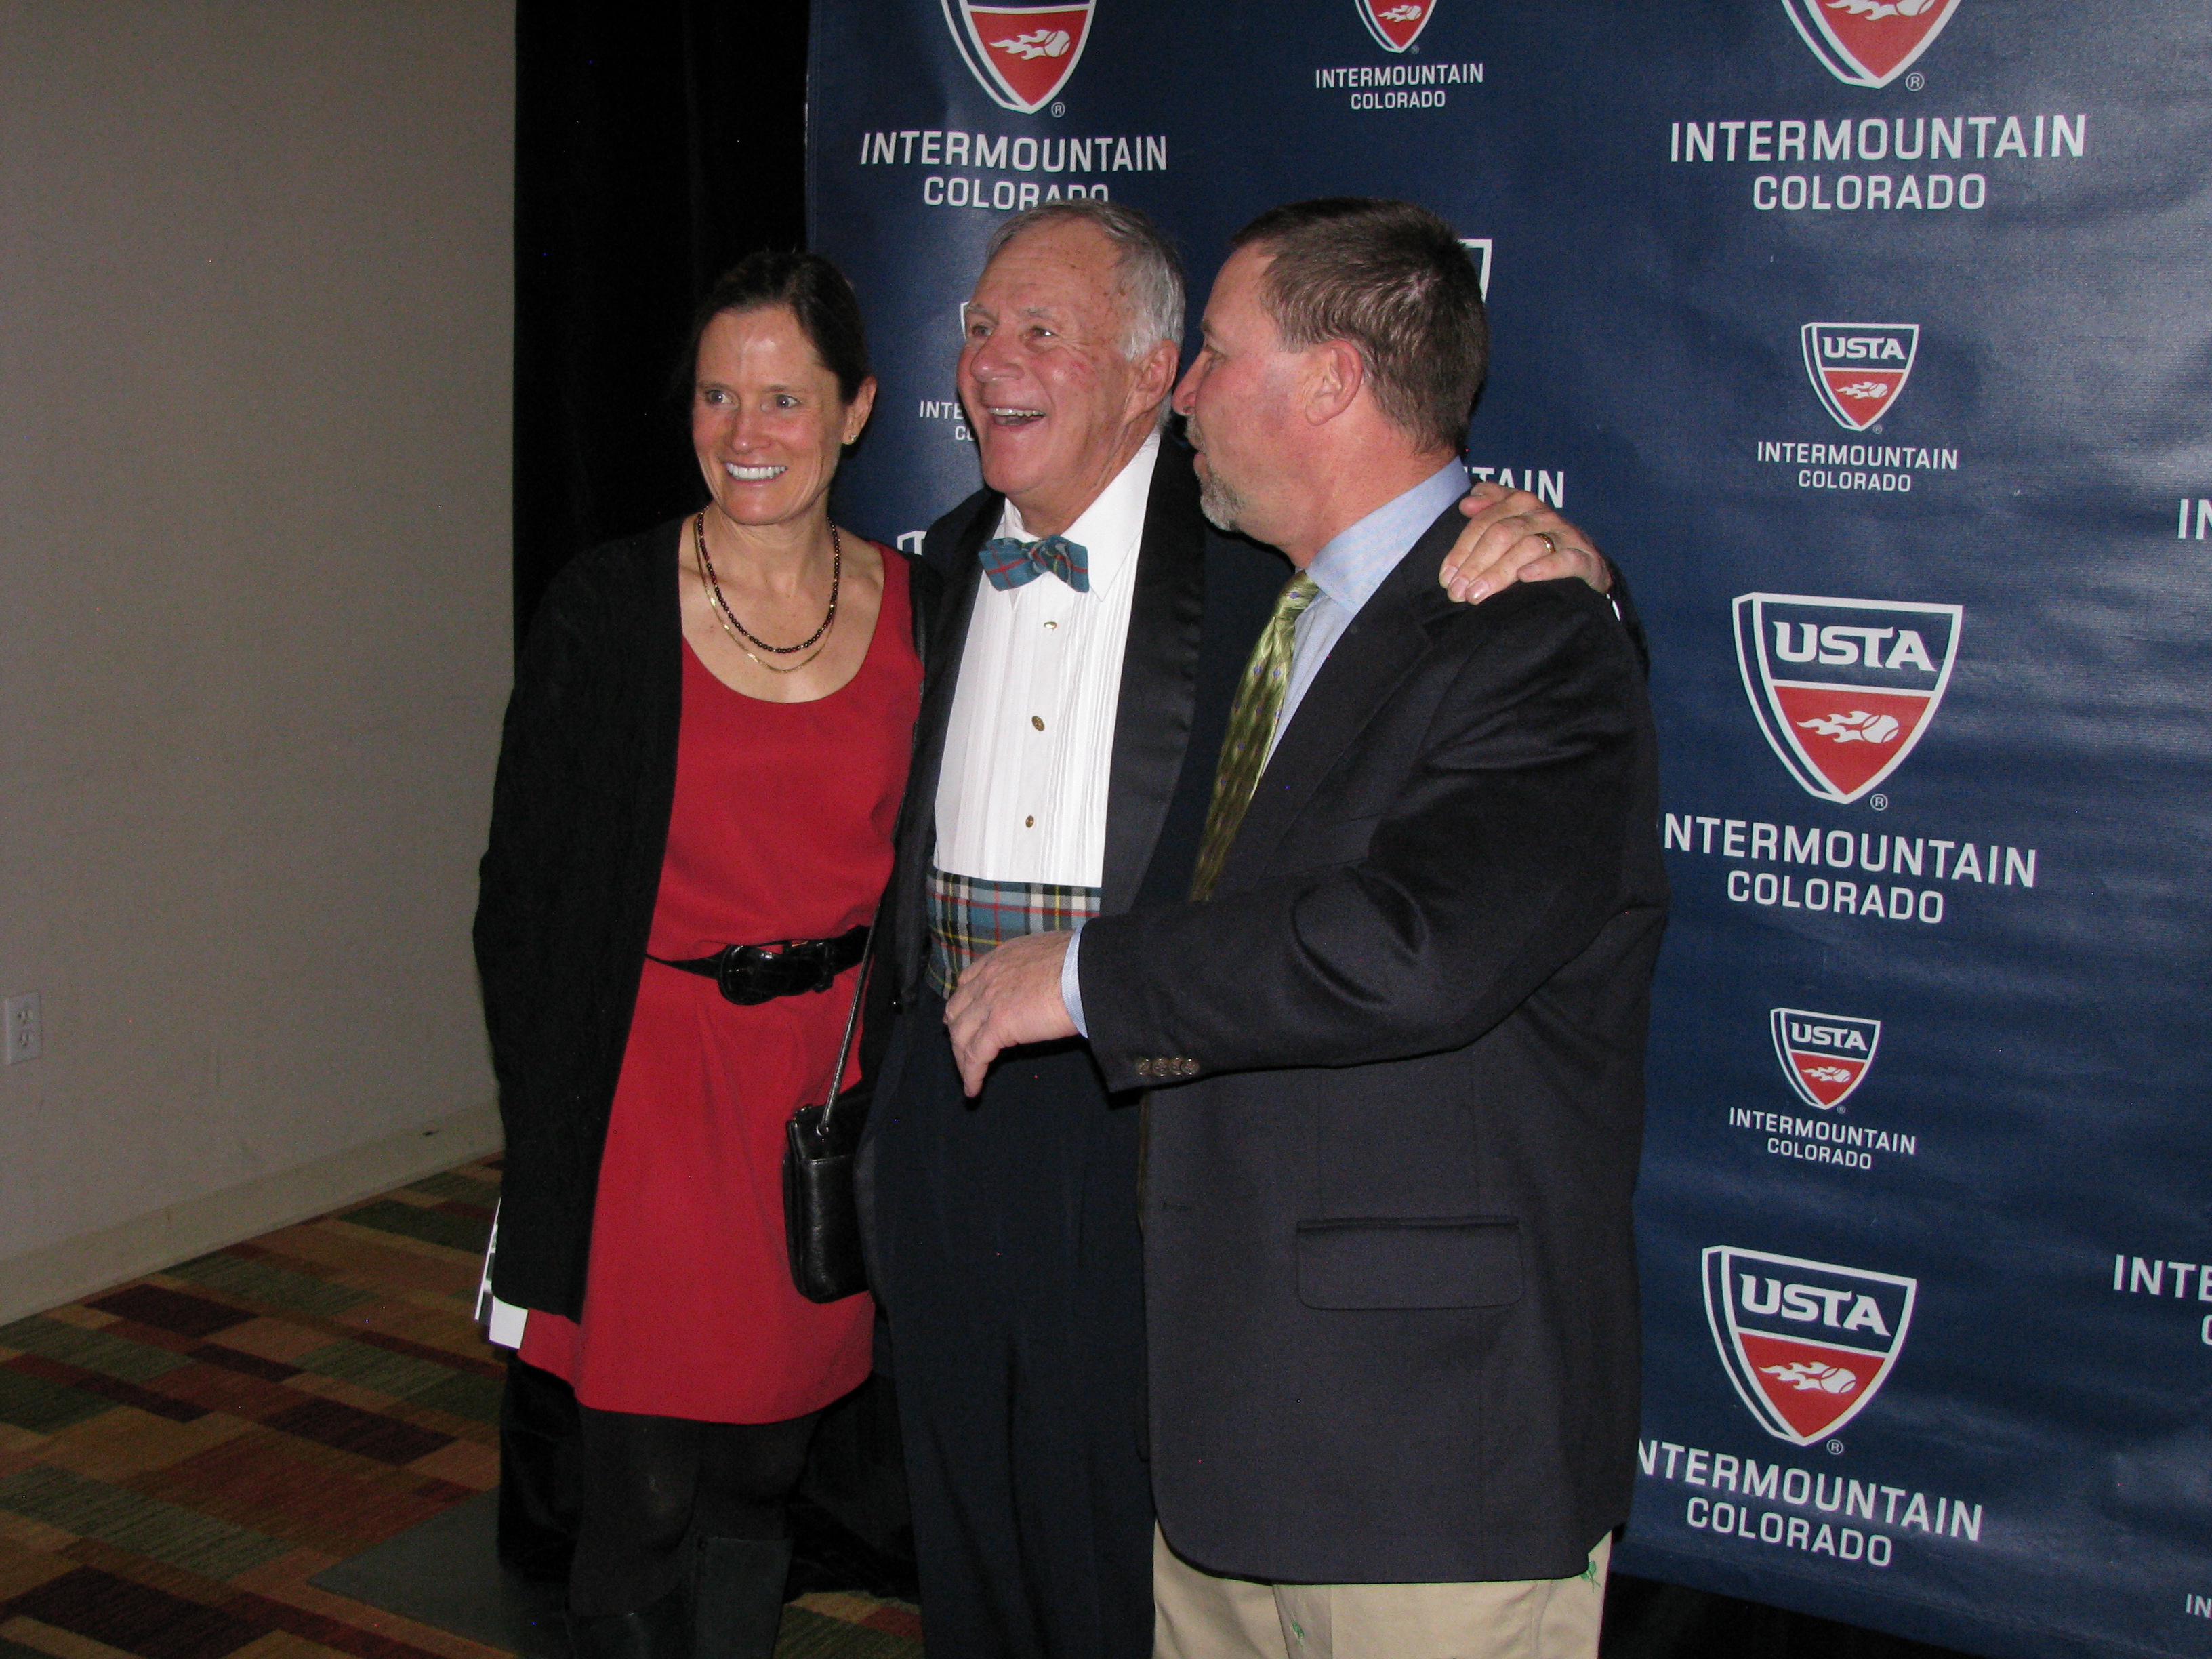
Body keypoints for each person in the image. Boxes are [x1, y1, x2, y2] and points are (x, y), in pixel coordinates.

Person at [857, 197, 1626, 1659]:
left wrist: (1587, 575)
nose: (988, 360)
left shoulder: (1357, 596)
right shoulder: (944, 570)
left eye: (1210, 354)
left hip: (1380, 1390)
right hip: (1147, 1280)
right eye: (975, 327)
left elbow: (1420, 926)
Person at [474, 249, 938, 1659]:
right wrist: (555, 1122)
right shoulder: (607, 612)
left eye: (787, 399)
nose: (749, 436)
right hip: (652, 1093)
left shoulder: (933, 608)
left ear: (856, 410)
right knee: (646, 1475)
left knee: (766, 1467)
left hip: (827, 1099)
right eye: (719, 397)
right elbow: (522, 899)